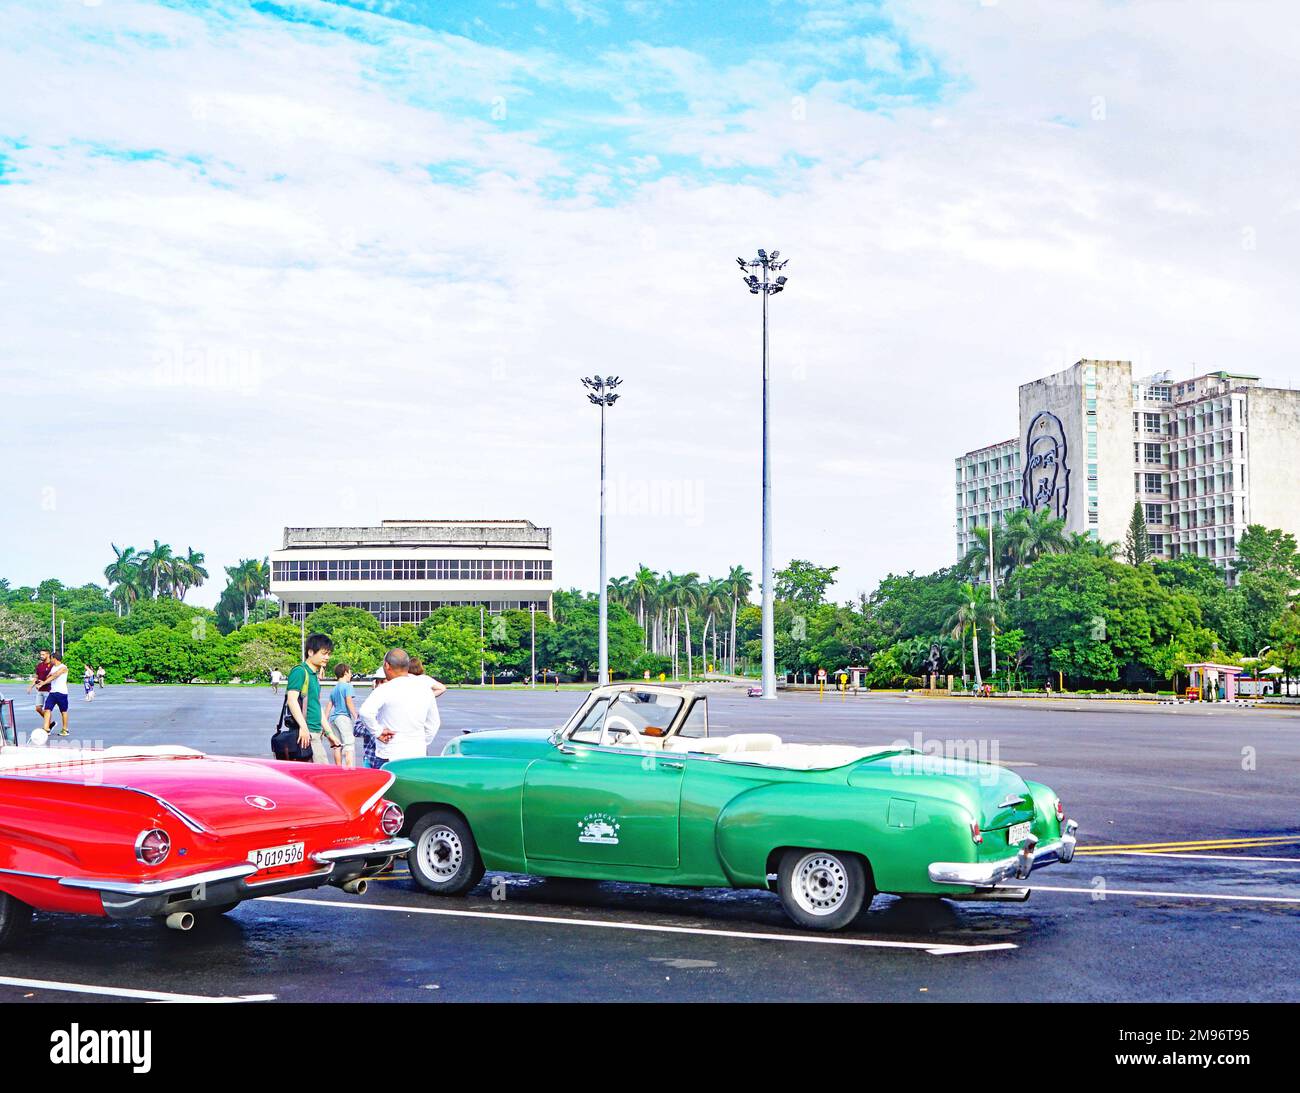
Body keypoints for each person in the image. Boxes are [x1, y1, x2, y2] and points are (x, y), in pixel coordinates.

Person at [356, 648, 442, 769]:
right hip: (417, 754)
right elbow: (434, 723)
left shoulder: (385, 689)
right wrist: (420, 741)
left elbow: (365, 712)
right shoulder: (424, 689)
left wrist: (378, 732)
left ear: (387, 665)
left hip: (390, 755)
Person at [286, 633, 333, 764]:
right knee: (321, 775)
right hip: (307, 733)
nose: (327, 657)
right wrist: (303, 727)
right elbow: (292, 700)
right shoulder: (300, 671)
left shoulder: (313, 676)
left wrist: (329, 733)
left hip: (315, 732)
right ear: (311, 652)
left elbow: (316, 706)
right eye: (323, 653)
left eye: (328, 654)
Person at [323, 662, 359, 768]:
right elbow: (349, 702)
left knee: (337, 745)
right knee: (349, 743)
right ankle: (349, 768)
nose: (351, 675)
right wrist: (356, 716)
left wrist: (324, 724)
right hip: (343, 718)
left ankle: (338, 768)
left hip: (333, 719)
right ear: (345, 672)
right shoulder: (347, 686)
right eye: (350, 673)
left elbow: (328, 707)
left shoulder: (334, 689)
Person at [40, 652, 71, 737]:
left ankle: (65, 729)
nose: (50, 660)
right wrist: (44, 679)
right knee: (47, 709)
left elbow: (56, 675)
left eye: (51, 658)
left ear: (54, 658)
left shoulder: (64, 667)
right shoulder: (53, 667)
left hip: (62, 693)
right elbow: (49, 676)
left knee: (63, 711)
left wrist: (44, 683)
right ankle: (46, 729)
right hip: (52, 692)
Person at [26, 650, 52, 728]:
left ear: (48, 654)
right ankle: (49, 723)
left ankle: (47, 726)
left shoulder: (52, 665)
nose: (41, 656)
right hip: (40, 690)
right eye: (40, 654)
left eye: (43, 654)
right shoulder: (39, 665)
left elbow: (52, 678)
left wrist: (43, 683)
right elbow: (36, 677)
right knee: (38, 708)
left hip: (49, 690)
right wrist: (30, 686)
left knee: (47, 709)